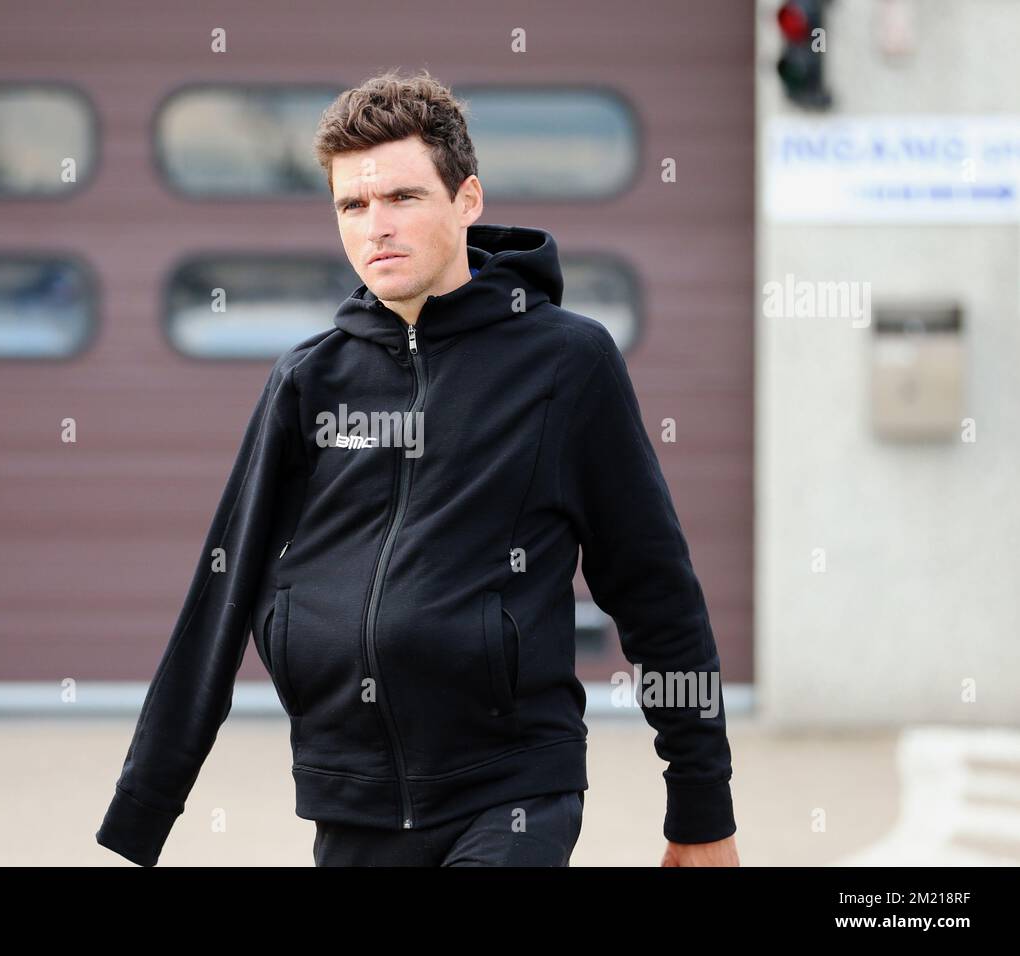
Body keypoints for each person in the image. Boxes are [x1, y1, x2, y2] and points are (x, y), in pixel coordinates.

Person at [98, 69, 739, 867]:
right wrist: (145, 809)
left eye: (402, 198)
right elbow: (223, 591)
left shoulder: (565, 365)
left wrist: (701, 806)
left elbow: (654, 587)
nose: (376, 228)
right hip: (351, 795)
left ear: (466, 200)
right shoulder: (310, 381)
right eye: (353, 206)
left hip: (513, 786)